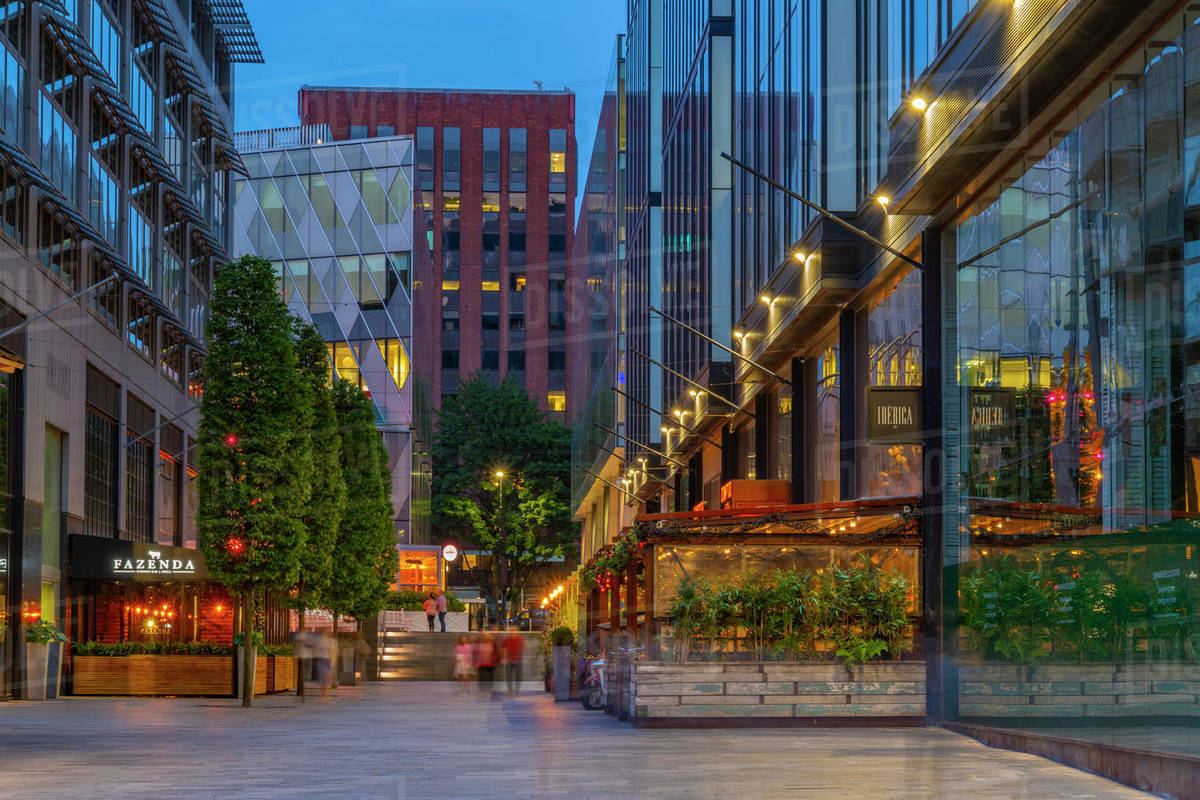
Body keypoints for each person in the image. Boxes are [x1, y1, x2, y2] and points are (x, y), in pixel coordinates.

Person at [501, 628, 524, 697]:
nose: (512, 632)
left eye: (514, 631)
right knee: (509, 677)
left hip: (518, 660)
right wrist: (502, 658)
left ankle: (517, 691)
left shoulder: (520, 639)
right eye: (511, 631)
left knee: (518, 677)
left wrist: (525, 657)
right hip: (509, 660)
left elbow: (523, 648)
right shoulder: (507, 640)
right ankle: (510, 691)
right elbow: (503, 649)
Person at [474, 633, 497, 698]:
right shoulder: (480, 645)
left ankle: (488, 691)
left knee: (490, 679)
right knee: (481, 678)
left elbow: (495, 653)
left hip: (490, 664)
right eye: (485, 637)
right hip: (481, 664)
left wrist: (495, 659)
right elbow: (476, 654)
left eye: (488, 637)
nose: (486, 638)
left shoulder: (493, 644)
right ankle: (482, 691)